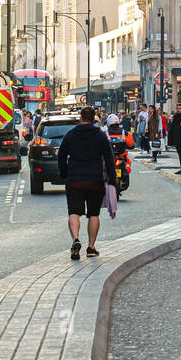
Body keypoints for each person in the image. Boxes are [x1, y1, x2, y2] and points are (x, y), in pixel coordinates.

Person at [55, 106, 116, 259]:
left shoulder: (70, 135)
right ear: (93, 118)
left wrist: (64, 173)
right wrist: (112, 180)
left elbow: (61, 156)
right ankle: (91, 247)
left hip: (74, 179)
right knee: (94, 214)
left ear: (81, 118)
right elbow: (109, 159)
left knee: (74, 212)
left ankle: (75, 239)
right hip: (95, 179)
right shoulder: (101, 136)